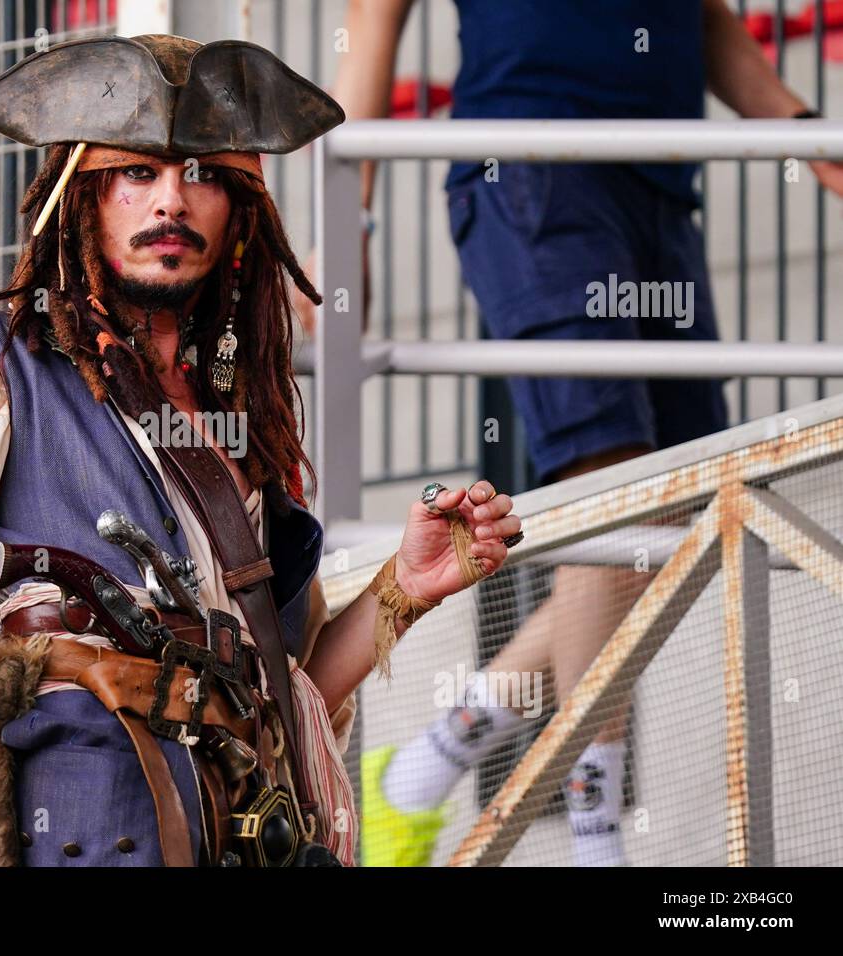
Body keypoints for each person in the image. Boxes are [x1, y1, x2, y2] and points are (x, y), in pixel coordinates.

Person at [0, 33, 524, 868]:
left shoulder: (243, 413)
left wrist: (405, 586)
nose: (171, 201)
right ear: (85, 196)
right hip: (92, 830)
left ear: (237, 211)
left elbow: (290, 698)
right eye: (138, 173)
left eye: (201, 174)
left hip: (247, 837)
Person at [307, 0, 843, 867]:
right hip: (530, 166)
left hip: (663, 183)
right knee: (615, 491)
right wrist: (350, 223)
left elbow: (703, 23)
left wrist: (811, 137)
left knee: (675, 512)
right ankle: (596, 843)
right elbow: (373, 16)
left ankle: (419, 768)